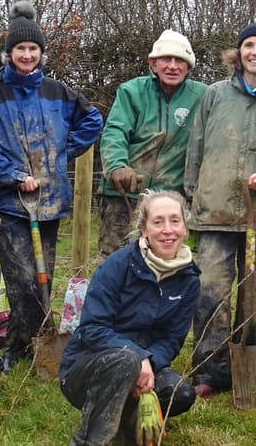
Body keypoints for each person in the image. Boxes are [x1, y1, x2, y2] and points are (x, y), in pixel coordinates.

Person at [0, 0, 103, 370]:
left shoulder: (58, 92)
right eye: (20, 48)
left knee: (44, 276)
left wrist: (61, 156)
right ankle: (17, 345)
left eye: (33, 49)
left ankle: (39, 342)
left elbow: (93, 119)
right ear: (9, 52)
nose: (26, 54)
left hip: (48, 201)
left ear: (40, 53)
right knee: (22, 280)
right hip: (9, 202)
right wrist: (13, 175)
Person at [182, 23, 256, 398]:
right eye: (248, 45)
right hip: (214, 213)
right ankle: (209, 371)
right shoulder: (216, 95)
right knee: (210, 292)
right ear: (238, 53)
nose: (255, 51)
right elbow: (196, 150)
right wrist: (193, 195)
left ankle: (250, 369)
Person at [60, 190, 200, 445]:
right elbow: (92, 328)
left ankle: (127, 421)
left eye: (175, 221)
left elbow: (172, 340)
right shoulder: (118, 265)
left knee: (180, 393)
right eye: (158, 222)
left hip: (144, 368)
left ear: (185, 228)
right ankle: (89, 440)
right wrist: (139, 358)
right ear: (144, 229)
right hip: (86, 371)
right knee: (125, 360)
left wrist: (148, 365)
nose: (168, 230)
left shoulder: (189, 279)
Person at [98, 30, 207, 259]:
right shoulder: (132, 91)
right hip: (125, 193)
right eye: (166, 59)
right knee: (117, 259)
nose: (172, 66)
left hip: (171, 197)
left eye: (180, 61)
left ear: (189, 67)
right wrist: (117, 166)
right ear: (153, 63)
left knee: (165, 261)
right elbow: (115, 131)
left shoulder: (202, 96)